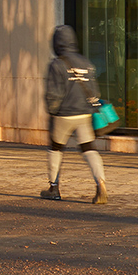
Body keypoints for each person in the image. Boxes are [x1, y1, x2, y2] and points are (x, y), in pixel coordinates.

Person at [41, 25, 108, 204]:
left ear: (56, 43)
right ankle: (100, 183)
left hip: (64, 114)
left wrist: (52, 112)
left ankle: (54, 188)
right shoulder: (86, 62)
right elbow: (95, 91)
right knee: (89, 149)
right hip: (84, 115)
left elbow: (53, 94)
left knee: (55, 149)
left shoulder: (56, 64)